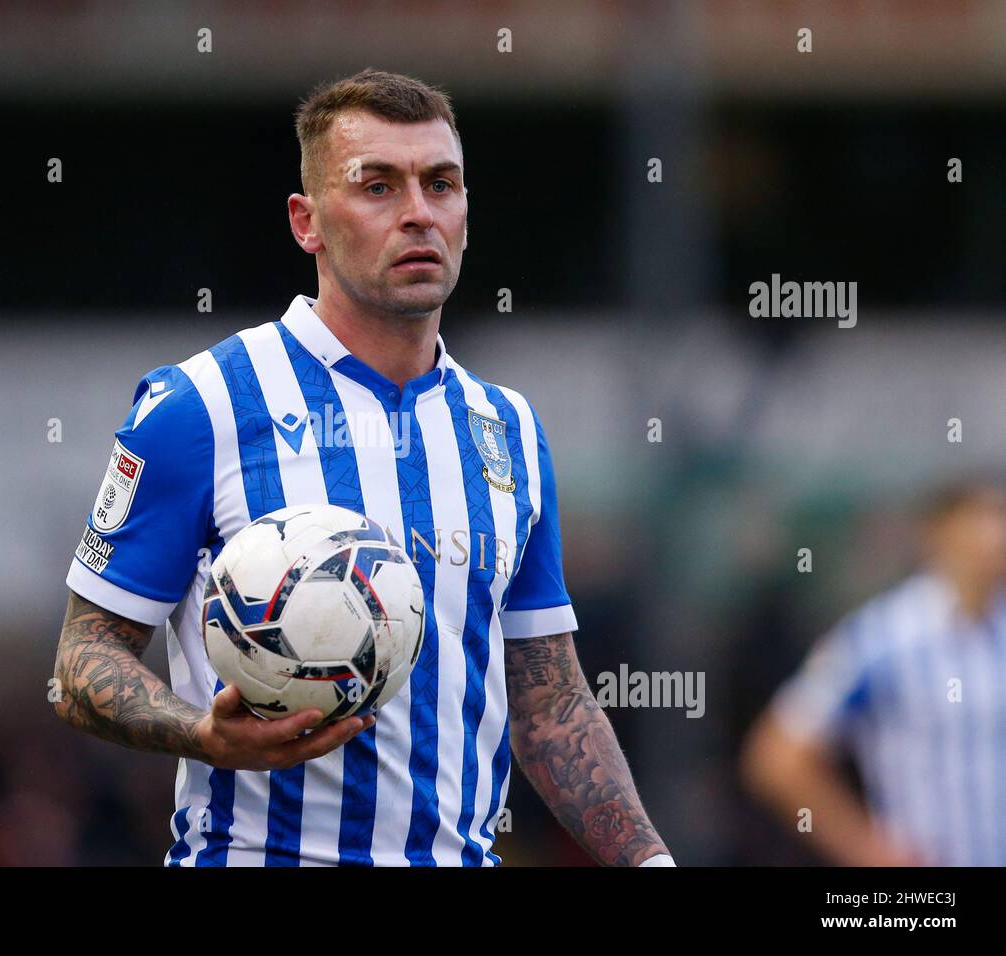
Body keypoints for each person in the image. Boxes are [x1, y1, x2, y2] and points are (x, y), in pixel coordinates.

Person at [53, 68, 672, 867]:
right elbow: (81, 663)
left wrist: (653, 862)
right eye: (377, 186)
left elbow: (549, 701)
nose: (418, 212)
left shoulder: (507, 430)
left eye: (440, 184)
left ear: (465, 213)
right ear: (306, 222)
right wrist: (201, 734)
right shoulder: (197, 406)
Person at [742, 477, 1006, 865]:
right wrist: (867, 848)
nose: (994, 538)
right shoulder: (883, 638)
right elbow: (778, 755)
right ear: (939, 533)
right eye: (981, 520)